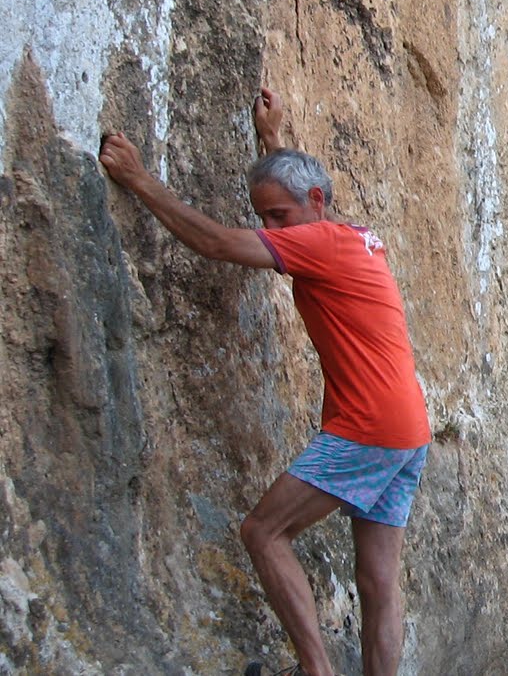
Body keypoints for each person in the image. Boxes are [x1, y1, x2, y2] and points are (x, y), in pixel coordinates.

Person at [98, 87, 431, 676]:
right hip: (407, 429)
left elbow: (214, 243)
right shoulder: (350, 236)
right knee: (379, 579)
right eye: (263, 219)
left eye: (278, 218)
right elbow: (297, 204)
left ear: (317, 202)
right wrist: (272, 139)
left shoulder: (320, 243)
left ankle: (315, 670)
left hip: (368, 428)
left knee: (262, 531)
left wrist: (139, 179)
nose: (271, 230)